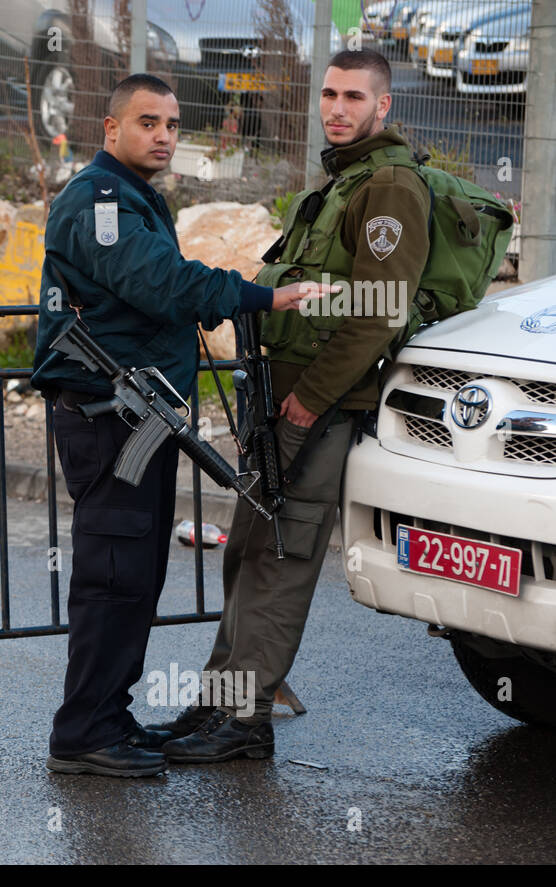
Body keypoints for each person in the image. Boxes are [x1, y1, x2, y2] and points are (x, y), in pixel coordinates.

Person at [31, 73, 324, 778]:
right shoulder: (102, 200)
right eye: (147, 122)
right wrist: (264, 296)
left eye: (171, 123)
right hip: (108, 420)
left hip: (138, 419)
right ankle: (83, 732)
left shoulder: (134, 197)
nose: (163, 135)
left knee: (134, 576)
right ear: (111, 130)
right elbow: (162, 283)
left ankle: (109, 715)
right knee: (112, 577)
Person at [156, 49, 432, 762]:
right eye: (330, 95)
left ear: (384, 106)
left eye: (354, 97)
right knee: (249, 549)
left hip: (321, 405)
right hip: (280, 399)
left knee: (282, 555)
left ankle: (245, 723)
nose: (337, 108)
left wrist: (307, 404)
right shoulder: (345, 179)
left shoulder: (392, 187)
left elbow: (378, 314)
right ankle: (221, 699)